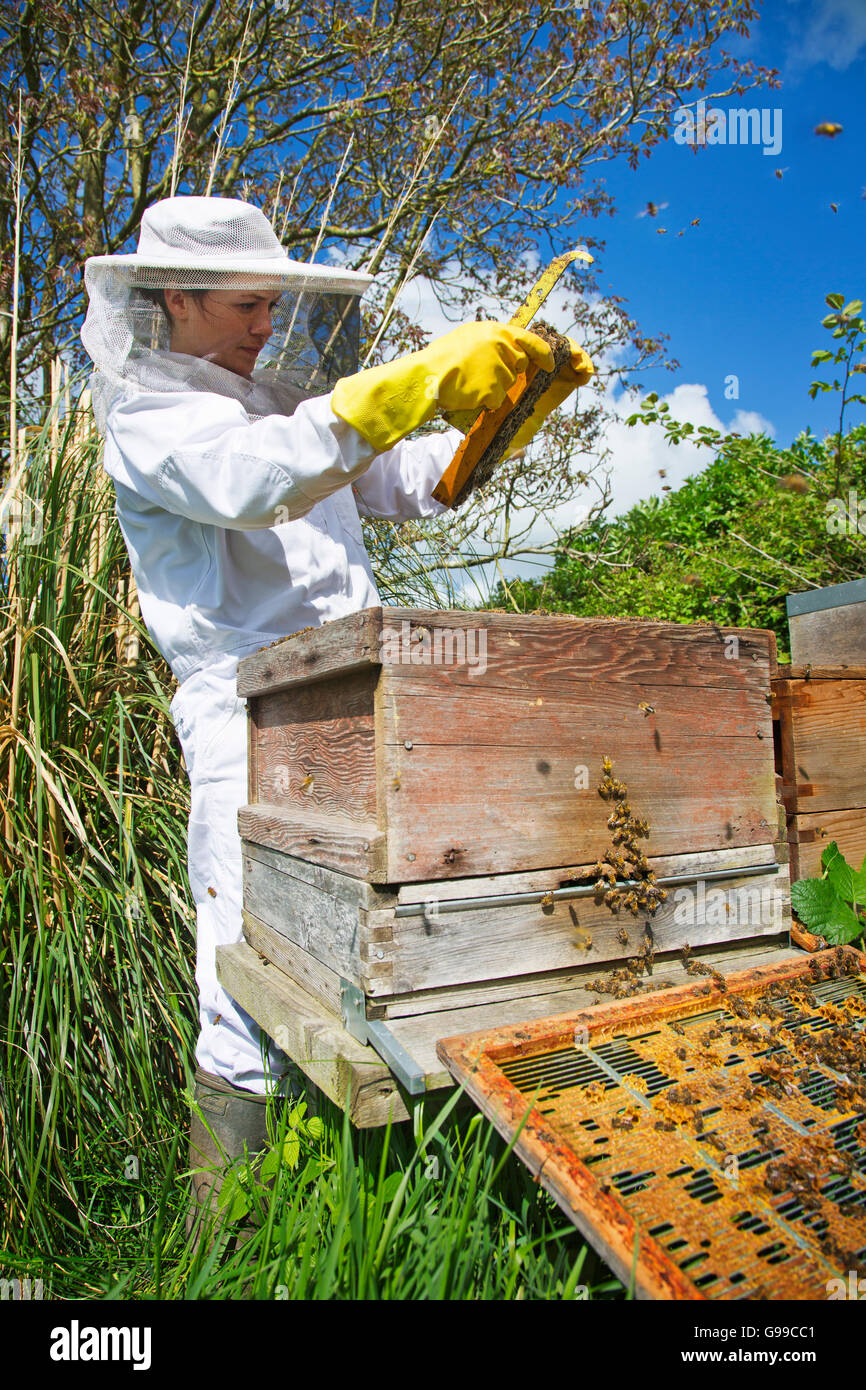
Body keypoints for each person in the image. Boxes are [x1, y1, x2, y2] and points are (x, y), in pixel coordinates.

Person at [80, 195, 593, 1223]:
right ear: (173, 299)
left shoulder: (278, 398)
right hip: (246, 712)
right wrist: (402, 385)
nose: (264, 325)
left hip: (361, 698)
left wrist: (499, 417)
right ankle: (224, 1236)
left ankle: (367, 1204)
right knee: (246, 962)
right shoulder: (148, 417)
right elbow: (252, 481)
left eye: (273, 304)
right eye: (241, 306)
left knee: (366, 933)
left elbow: (405, 483)